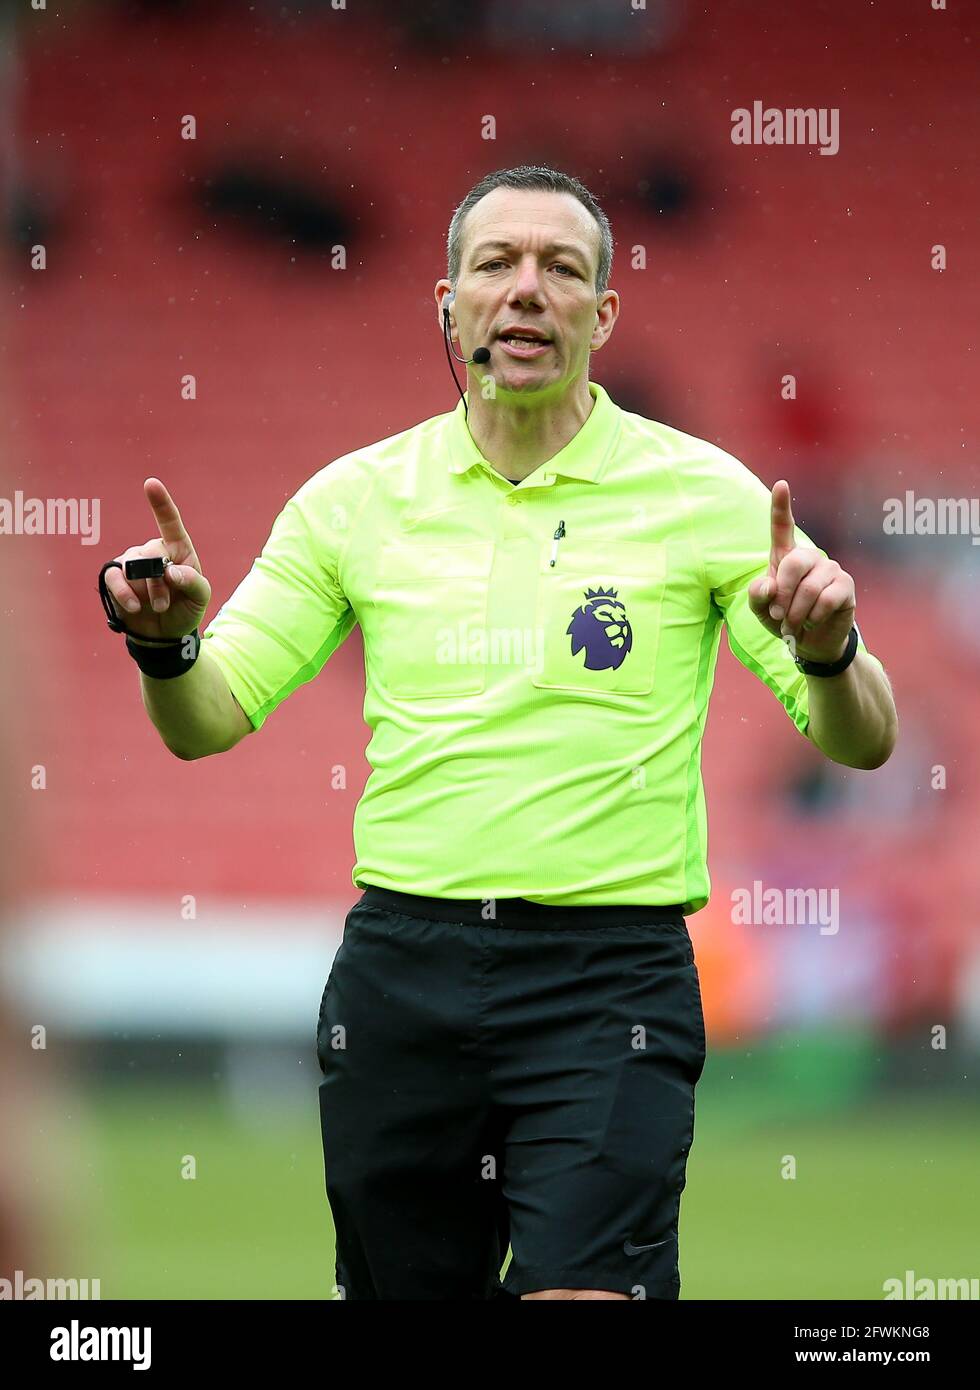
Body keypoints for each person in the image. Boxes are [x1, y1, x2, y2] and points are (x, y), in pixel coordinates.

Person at [101, 165, 897, 1301]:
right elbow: (208, 717)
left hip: (607, 982)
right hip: (403, 976)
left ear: (602, 314)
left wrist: (826, 646)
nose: (525, 290)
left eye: (560, 269)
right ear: (447, 302)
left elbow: (859, 737)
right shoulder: (353, 500)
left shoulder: (706, 497)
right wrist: (166, 647)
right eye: (496, 265)